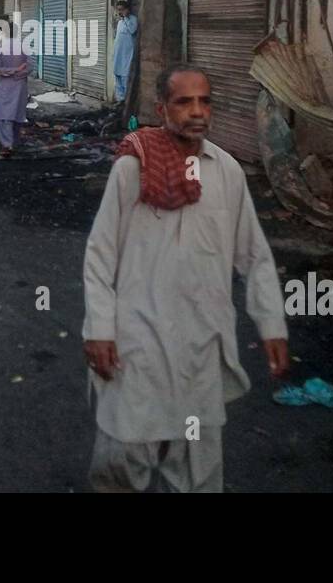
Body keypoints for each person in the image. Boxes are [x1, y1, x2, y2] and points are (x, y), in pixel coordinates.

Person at [83, 64, 289, 493]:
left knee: (196, 467)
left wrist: (271, 325)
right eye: (184, 101)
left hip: (202, 342)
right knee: (123, 456)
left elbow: (254, 255)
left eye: (205, 100)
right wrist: (99, 328)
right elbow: (101, 254)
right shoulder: (133, 168)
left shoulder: (227, 171)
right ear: (162, 109)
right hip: (137, 338)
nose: (197, 111)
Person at [0, 22, 31, 155]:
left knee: (4, 115)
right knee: (18, 114)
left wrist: (11, 71)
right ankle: (15, 141)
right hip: (20, 85)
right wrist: (18, 72)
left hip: (5, 85)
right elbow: (29, 68)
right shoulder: (23, 46)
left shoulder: (0, 46)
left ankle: (7, 144)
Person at [113, 0, 139, 103]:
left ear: (127, 10)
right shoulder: (120, 22)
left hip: (127, 55)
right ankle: (120, 101)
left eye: (121, 10)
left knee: (125, 78)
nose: (120, 12)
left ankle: (126, 102)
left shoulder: (133, 20)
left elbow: (132, 30)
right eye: (118, 10)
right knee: (117, 77)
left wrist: (126, 17)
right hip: (118, 55)